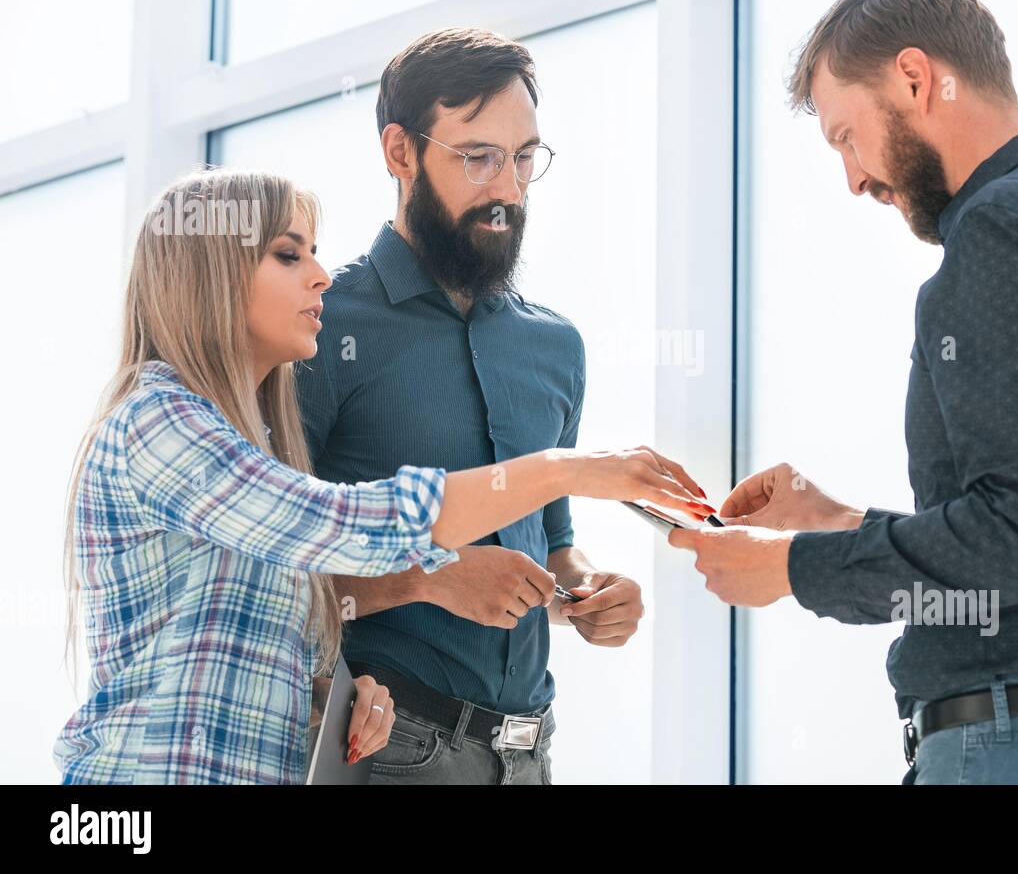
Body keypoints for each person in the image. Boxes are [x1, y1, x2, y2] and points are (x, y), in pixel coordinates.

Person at [669, 0, 1018, 785]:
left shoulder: (1002, 229)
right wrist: (837, 522)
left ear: (915, 79)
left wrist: (787, 569)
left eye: (846, 136)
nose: (853, 179)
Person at [55, 167, 709, 784]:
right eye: (289, 255)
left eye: (314, 252)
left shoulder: (241, 442)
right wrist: (568, 469)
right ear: (210, 275)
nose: (320, 277)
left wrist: (335, 693)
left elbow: (274, 617)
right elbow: (337, 523)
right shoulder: (156, 419)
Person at [295, 27, 718, 785]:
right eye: (478, 157)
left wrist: (585, 592)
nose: (509, 189)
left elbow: (553, 540)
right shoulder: (324, 326)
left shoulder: (556, 348)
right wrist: (428, 578)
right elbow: (266, 576)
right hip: (385, 750)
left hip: (530, 753)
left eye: (525, 158)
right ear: (400, 153)